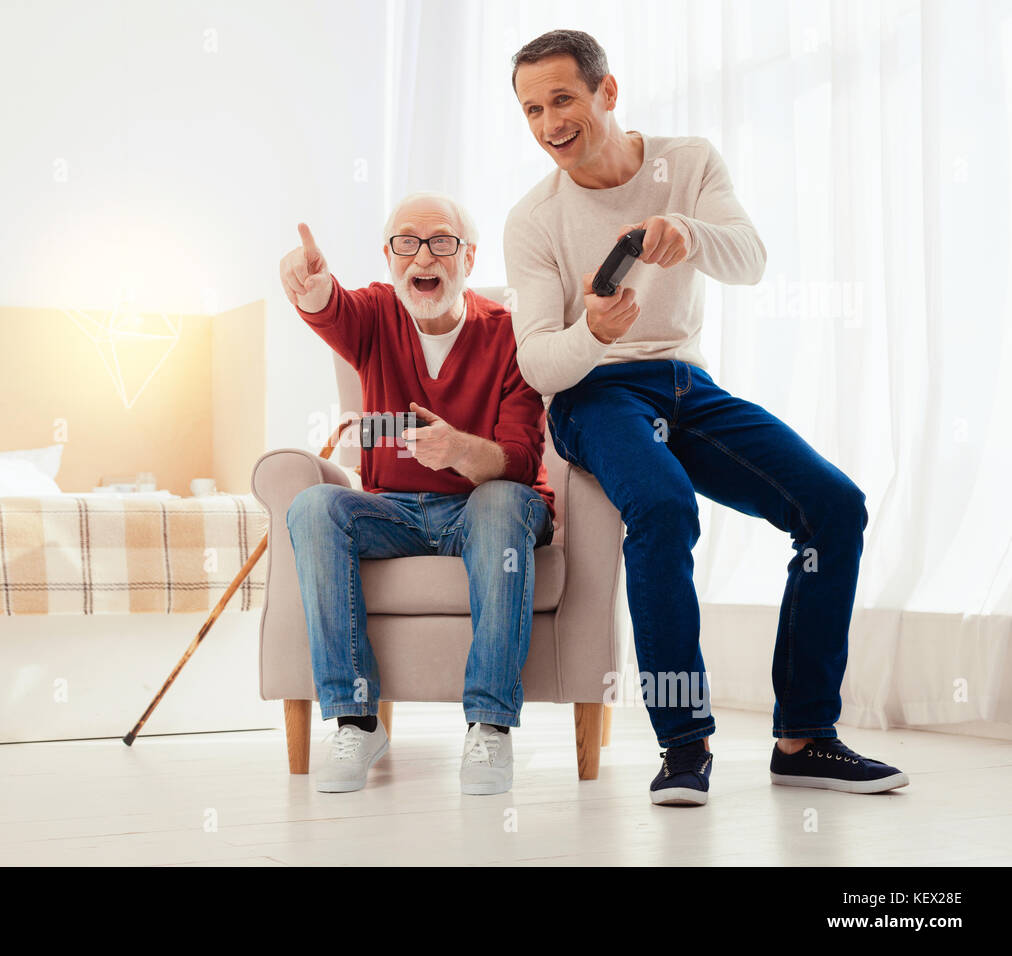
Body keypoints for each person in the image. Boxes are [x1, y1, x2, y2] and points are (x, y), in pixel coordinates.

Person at [503, 29, 908, 806]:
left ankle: (804, 740)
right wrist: (594, 331)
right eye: (531, 110)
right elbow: (536, 365)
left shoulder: (686, 165)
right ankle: (684, 746)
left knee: (834, 507)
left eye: (562, 99)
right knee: (661, 505)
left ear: (607, 93)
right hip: (595, 393)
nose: (549, 123)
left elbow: (750, 259)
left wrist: (688, 233)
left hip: (688, 386)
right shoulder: (534, 220)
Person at [278, 192, 554, 795]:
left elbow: (520, 460)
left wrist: (458, 449)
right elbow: (333, 311)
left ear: (469, 258)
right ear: (389, 255)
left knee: (504, 500)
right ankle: (356, 720)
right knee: (314, 506)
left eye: (441, 242)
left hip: (488, 509)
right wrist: (311, 290)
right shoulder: (377, 314)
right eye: (406, 242)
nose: (422, 256)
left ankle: (489, 725)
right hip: (395, 510)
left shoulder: (512, 336)